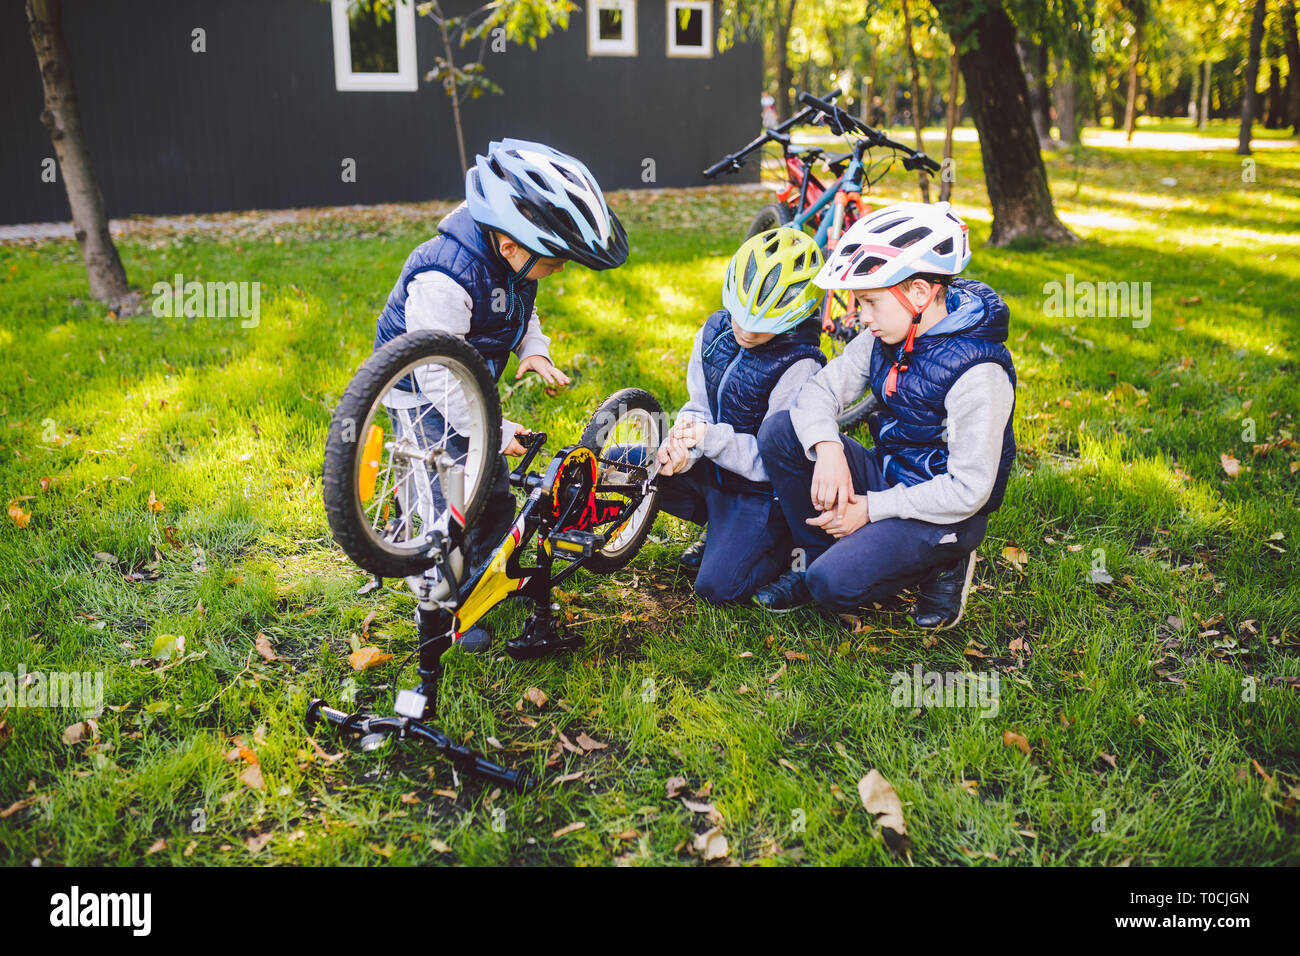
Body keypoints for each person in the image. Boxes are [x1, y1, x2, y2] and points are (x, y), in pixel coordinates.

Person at [373, 138, 628, 650]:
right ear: (510, 246)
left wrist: (534, 350)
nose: (559, 270)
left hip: (466, 384)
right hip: (422, 392)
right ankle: (441, 611)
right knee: (446, 502)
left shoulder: (509, 259)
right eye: (555, 260)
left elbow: (520, 308)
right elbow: (439, 381)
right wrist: (500, 427)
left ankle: (484, 579)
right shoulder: (444, 280)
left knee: (491, 489)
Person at [753, 202, 1016, 630]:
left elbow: (970, 489)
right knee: (781, 431)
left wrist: (871, 509)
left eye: (871, 302)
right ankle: (814, 554)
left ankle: (946, 561)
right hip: (889, 473)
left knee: (832, 587)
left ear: (918, 293)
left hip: (944, 507)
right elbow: (817, 391)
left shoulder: (979, 375)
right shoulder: (883, 335)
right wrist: (829, 448)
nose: (863, 317)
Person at [624, 228, 827, 603]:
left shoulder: (800, 366)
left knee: (717, 587)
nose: (746, 331)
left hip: (758, 494)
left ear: (793, 318)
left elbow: (773, 463)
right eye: (739, 315)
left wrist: (708, 438)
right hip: (712, 471)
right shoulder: (713, 331)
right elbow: (698, 407)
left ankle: (780, 543)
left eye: (763, 324)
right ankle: (719, 528)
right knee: (622, 464)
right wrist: (683, 449)